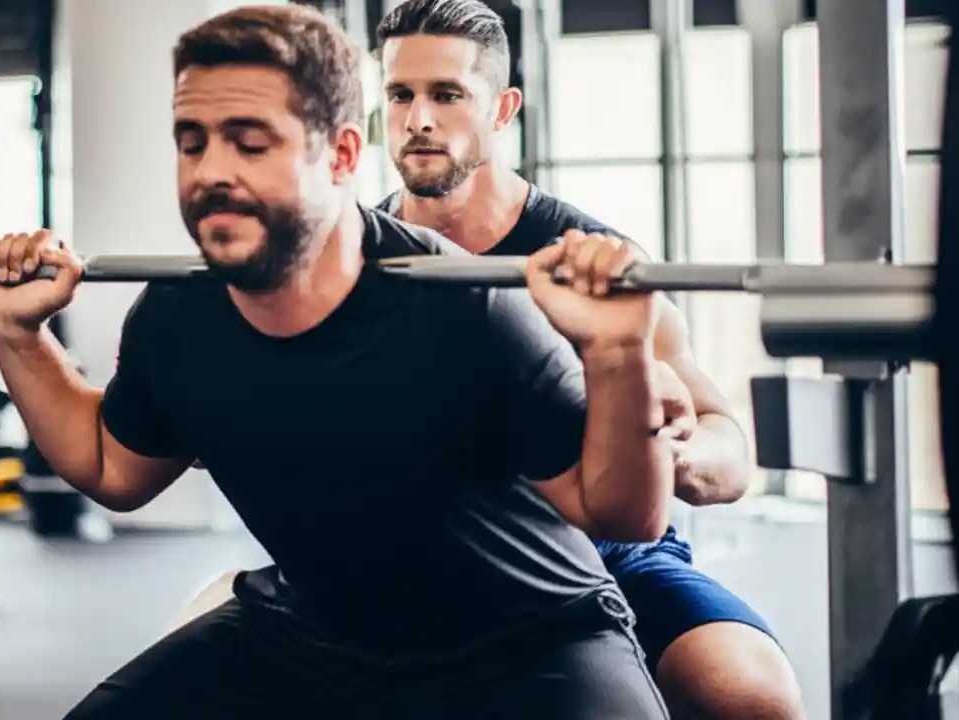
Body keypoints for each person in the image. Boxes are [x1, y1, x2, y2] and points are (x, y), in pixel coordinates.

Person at [0, 5, 675, 718]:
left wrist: (619, 353)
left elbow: (624, 513)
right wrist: (18, 336)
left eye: (250, 144)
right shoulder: (178, 316)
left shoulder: (465, 306)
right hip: (315, 636)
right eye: (193, 143)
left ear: (342, 155)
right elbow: (110, 467)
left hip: (526, 643)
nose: (211, 172)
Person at [173, 1, 808, 718]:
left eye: (446, 95)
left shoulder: (589, 257)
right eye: (401, 94)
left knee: (750, 696)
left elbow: (728, 452)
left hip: (596, 553)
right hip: (410, 558)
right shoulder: (342, 258)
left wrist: (670, 450)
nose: (418, 119)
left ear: (502, 109)